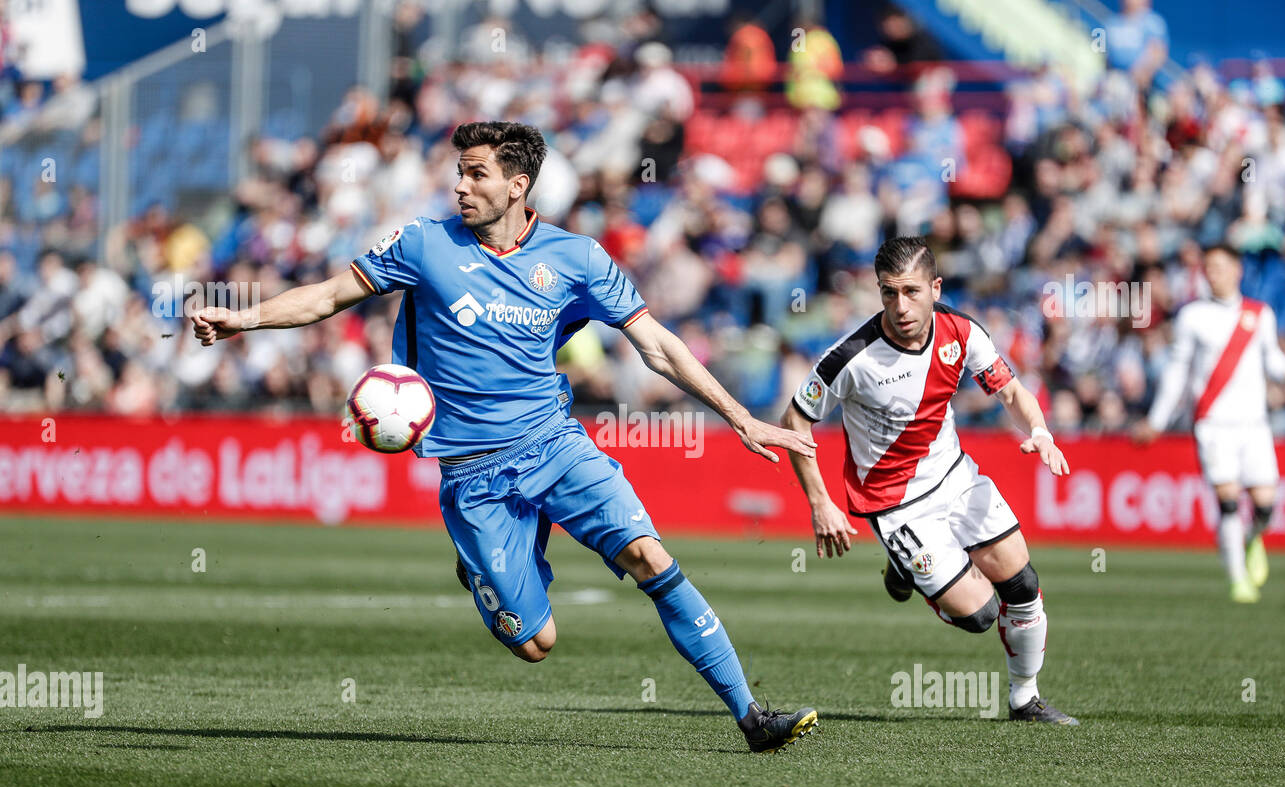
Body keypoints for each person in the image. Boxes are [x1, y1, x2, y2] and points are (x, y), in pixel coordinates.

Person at [192, 121, 819, 753]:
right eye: (459, 172)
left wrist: (739, 417)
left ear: (518, 185)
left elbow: (656, 346)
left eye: (476, 173)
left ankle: (750, 717)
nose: (459, 185)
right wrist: (245, 318)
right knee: (536, 645)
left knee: (650, 557)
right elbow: (329, 296)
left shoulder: (577, 258)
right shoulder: (423, 245)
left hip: (556, 447)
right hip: (473, 476)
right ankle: (483, 573)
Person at [779, 236, 1079, 725]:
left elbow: (1011, 392)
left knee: (1023, 584)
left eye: (912, 292)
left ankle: (1025, 699)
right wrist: (820, 503)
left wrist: (1041, 431)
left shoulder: (962, 333)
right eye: (889, 292)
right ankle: (904, 569)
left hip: (956, 477)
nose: (900, 306)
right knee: (980, 616)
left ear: (935, 288)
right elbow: (795, 420)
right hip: (895, 505)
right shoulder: (850, 357)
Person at [1134, 244, 1285, 602]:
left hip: (1254, 424)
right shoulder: (1192, 316)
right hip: (1213, 424)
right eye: (1208, 268)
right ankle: (1238, 579)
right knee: (1227, 501)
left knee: (1266, 506)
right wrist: (1157, 420)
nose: (1213, 274)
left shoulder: (1260, 314)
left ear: (1237, 270)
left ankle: (1251, 539)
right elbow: (1177, 372)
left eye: (1220, 267)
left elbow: (1271, 358)